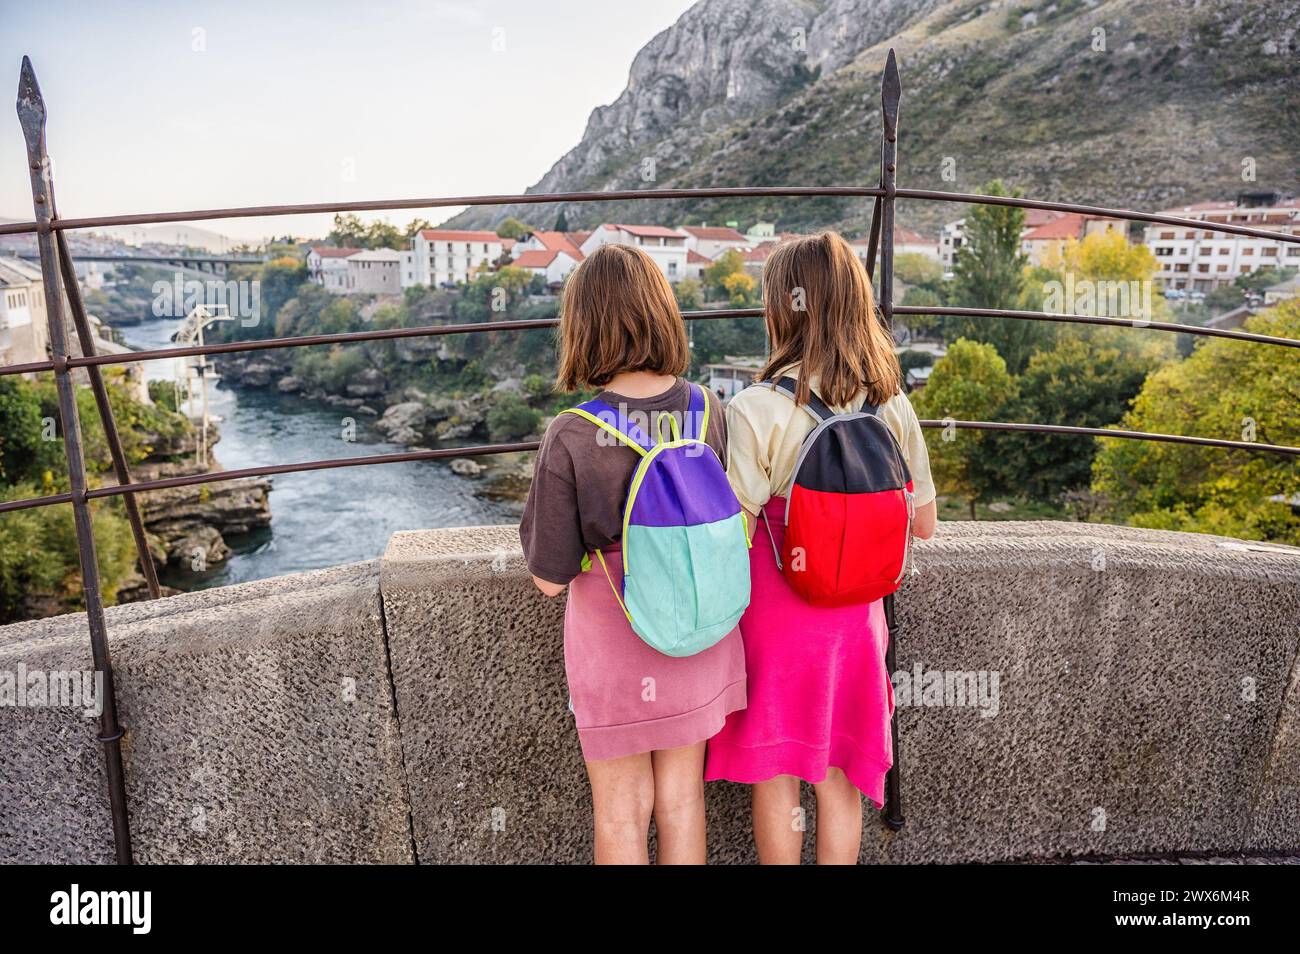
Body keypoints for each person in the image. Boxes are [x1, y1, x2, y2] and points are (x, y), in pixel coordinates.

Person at [705, 231, 938, 864]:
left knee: (779, 772)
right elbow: (923, 526)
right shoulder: (893, 405)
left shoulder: (753, 406)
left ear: (783, 308)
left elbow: (735, 533)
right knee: (840, 775)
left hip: (778, 621)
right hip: (857, 621)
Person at [520, 243, 747, 864]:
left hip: (618, 641)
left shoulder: (572, 431)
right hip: (697, 629)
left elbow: (549, 577)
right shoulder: (706, 407)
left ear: (584, 327)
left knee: (622, 814)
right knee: (682, 802)